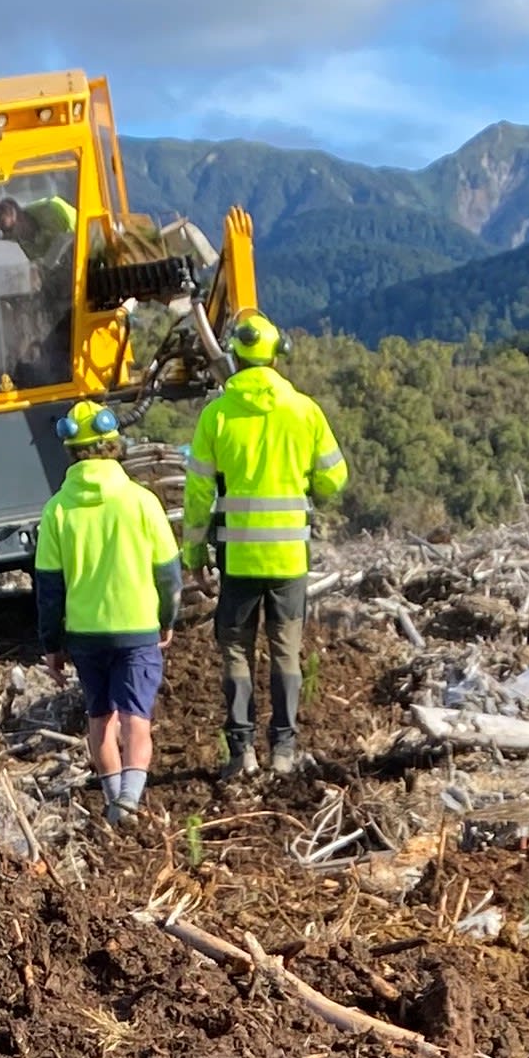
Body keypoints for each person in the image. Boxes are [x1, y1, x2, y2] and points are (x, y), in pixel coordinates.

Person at [182, 312, 347, 779]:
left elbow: (197, 494)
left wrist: (193, 553)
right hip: (289, 559)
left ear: (234, 357)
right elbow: (335, 477)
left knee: (235, 650)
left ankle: (241, 752)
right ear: (277, 356)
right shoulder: (304, 410)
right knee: (285, 651)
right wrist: (309, 485)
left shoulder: (216, 415)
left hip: (237, 560)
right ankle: (284, 750)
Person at [33, 399, 180, 829]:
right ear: (113, 445)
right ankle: (129, 804)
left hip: (85, 632)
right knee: (137, 718)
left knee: (100, 716)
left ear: (72, 451)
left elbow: (49, 588)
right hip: (137, 628)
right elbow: (169, 575)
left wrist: (52, 644)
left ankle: (116, 804)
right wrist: (167, 618)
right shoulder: (142, 502)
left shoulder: (58, 509)